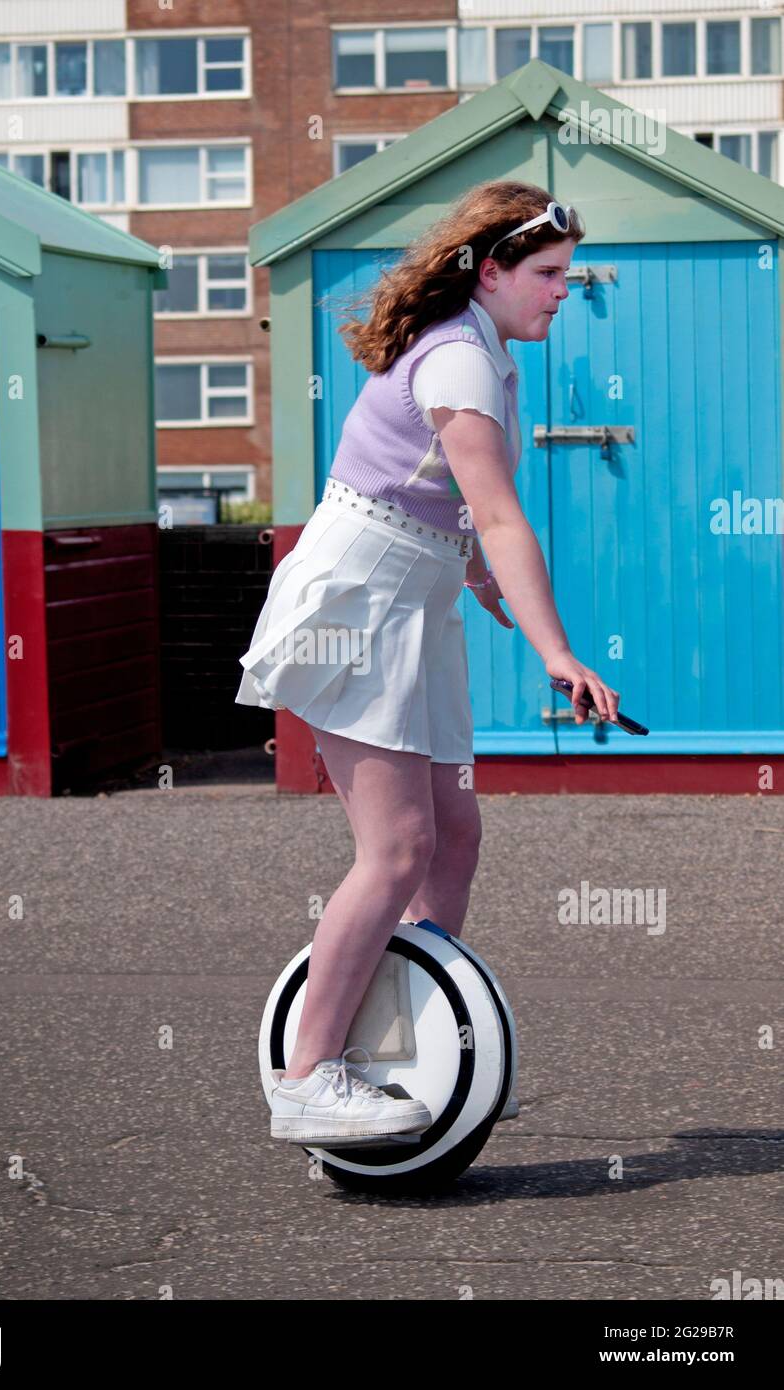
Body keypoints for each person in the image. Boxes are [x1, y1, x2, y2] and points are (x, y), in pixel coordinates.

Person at [236, 179, 621, 1146]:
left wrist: (483, 587)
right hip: (359, 602)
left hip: (417, 597)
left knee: (454, 836)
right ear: (488, 272)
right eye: (546, 274)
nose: (561, 292)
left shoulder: (486, 351)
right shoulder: (457, 360)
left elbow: (453, 512)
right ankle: (309, 1075)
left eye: (567, 275)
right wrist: (557, 651)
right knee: (398, 847)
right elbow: (495, 513)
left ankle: (409, 1038)